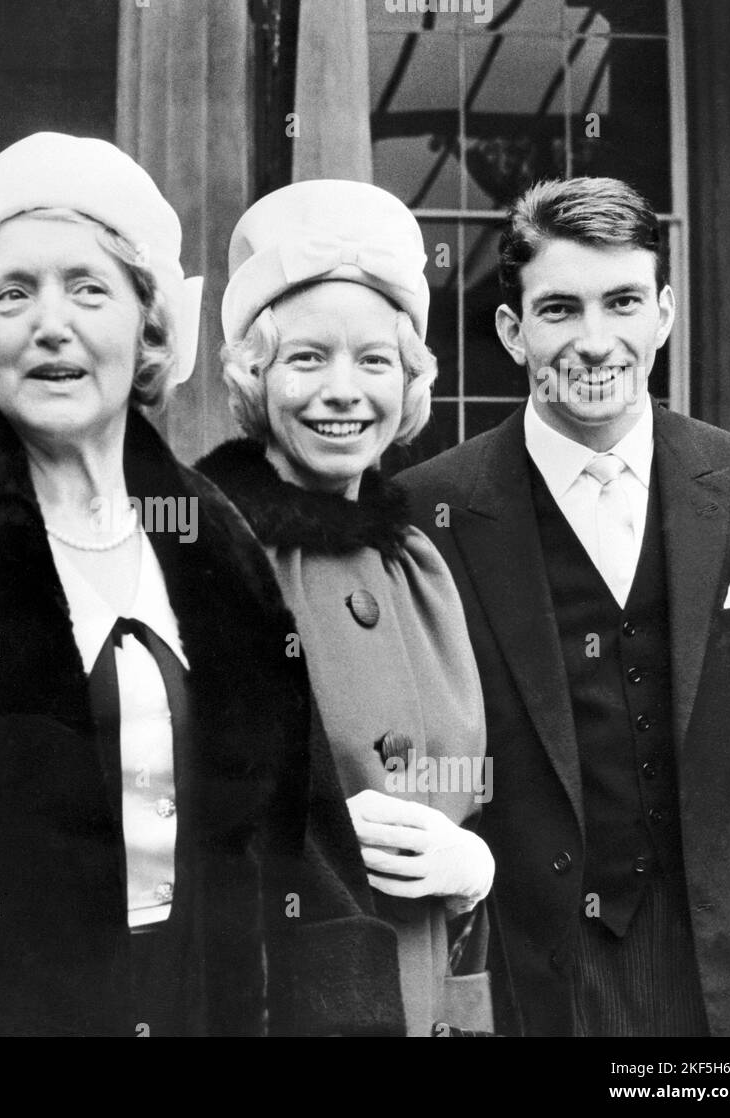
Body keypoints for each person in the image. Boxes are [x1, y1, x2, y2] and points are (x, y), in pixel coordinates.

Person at [0, 133, 403, 1037]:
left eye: (88, 288)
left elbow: (301, 833)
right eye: (13, 294)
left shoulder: (218, 547)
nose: (51, 322)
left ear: (148, 327)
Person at [399, 176, 730, 1036]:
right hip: (533, 976)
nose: (595, 341)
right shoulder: (429, 511)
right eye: (559, 310)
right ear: (513, 330)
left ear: (663, 313)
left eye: (621, 303)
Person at [197, 180, 496, 1037]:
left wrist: (474, 865)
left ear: (409, 382)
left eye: (374, 361)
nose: (344, 391)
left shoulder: (418, 564)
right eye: (306, 358)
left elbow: (474, 785)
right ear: (255, 376)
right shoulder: (205, 556)